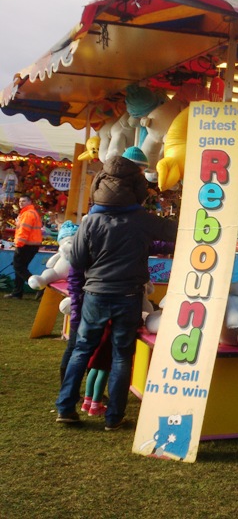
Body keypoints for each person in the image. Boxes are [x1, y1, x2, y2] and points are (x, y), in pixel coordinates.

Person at [55, 148, 178, 429]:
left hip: (96, 294)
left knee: (81, 350)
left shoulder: (91, 221)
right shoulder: (144, 221)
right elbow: (178, 232)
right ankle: (114, 417)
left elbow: (76, 260)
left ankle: (66, 407)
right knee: (122, 355)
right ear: (136, 187)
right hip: (129, 296)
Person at [6, 194, 43, 299]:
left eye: (24, 201)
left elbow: (23, 231)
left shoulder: (27, 214)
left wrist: (18, 245)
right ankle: (17, 293)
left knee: (19, 267)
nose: (21, 203)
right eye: (20, 201)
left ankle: (39, 287)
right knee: (21, 268)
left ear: (29, 202)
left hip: (26, 245)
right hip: (31, 245)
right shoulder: (32, 213)